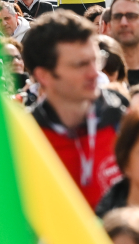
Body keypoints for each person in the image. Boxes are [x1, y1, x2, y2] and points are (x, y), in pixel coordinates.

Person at [24, 11, 126, 208]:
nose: (94, 74)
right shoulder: (24, 140)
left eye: (96, 61)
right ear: (44, 76)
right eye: (80, 65)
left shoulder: (125, 122)